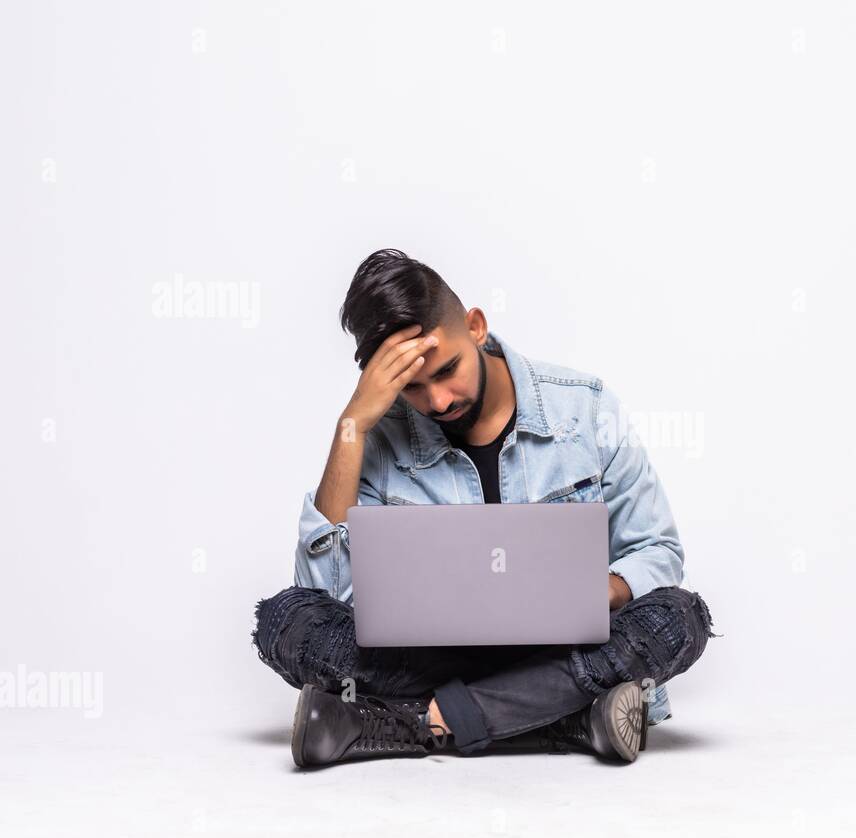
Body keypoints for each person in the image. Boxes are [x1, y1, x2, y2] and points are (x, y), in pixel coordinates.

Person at [250, 249, 717, 766]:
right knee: (284, 620)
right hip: (435, 661)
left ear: (475, 326)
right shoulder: (378, 441)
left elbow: (658, 550)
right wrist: (352, 427)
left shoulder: (584, 409)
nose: (441, 400)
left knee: (682, 615)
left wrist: (593, 592)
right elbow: (323, 597)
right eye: (413, 387)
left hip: (561, 649)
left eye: (448, 370)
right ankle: (570, 718)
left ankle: (404, 723)